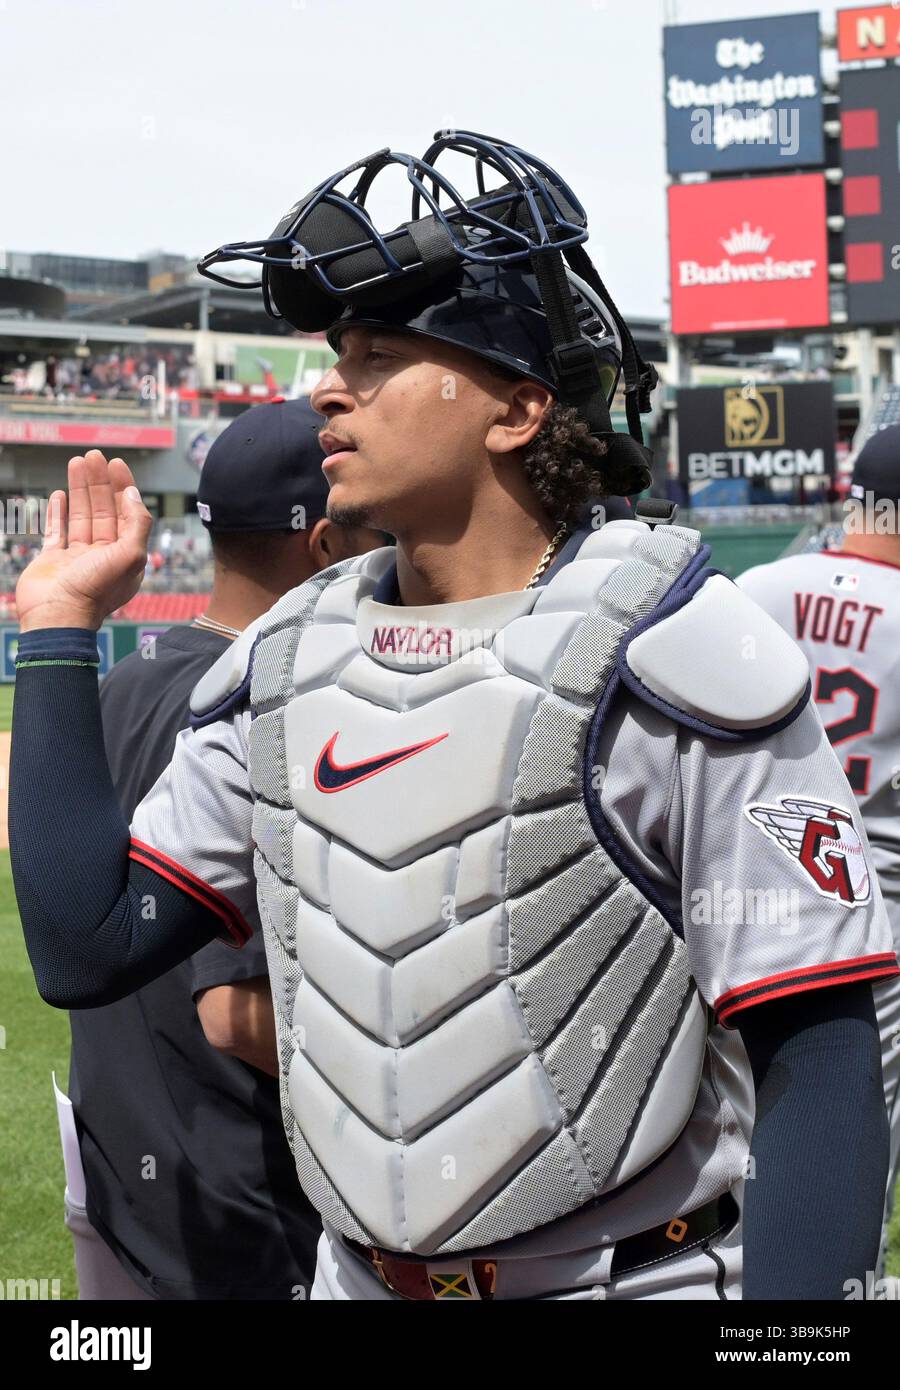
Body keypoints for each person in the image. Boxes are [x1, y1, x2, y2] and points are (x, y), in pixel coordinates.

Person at [9, 131, 898, 1301]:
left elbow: (822, 1057)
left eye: (381, 355)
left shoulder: (679, 650)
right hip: (358, 1280)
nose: (331, 385)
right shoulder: (286, 662)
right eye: (337, 354)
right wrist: (61, 632)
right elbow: (89, 941)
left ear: (519, 408)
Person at [62, 395, 385, 1301]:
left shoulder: (127, 680)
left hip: (126, 1184)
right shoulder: (279, 702)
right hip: (247, 1204)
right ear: (323, 546)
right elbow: (236, 1015)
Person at [737, 424, 900, 1280]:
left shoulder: (758, 586)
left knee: (738, 1117)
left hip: (742, 886)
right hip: (877, 901)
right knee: (850, 1137)